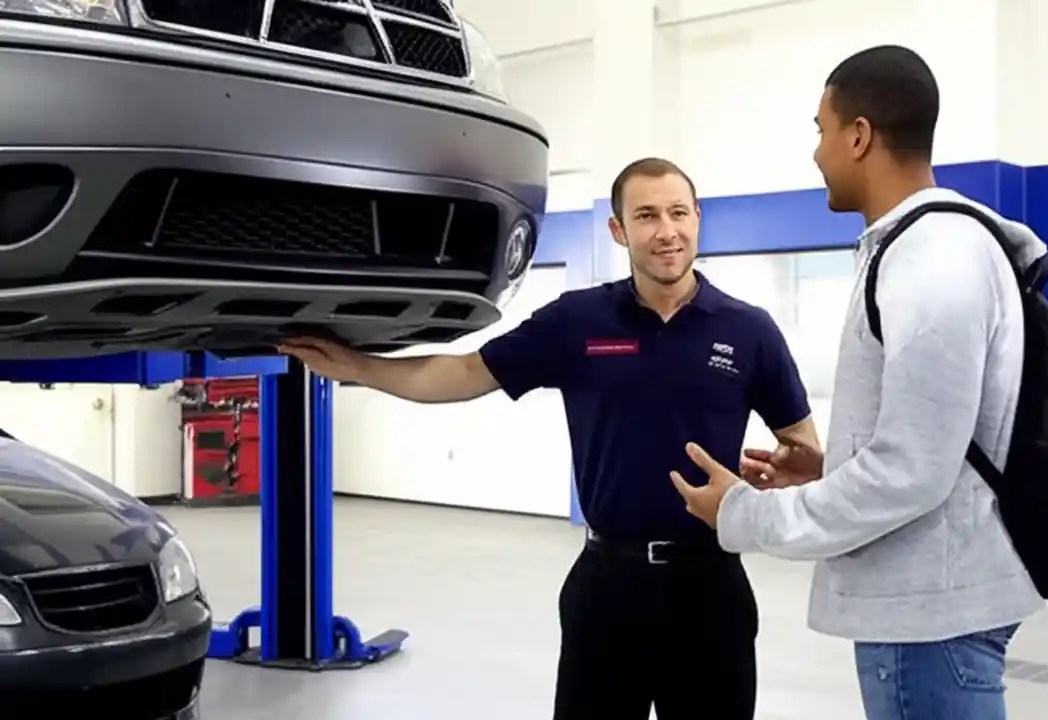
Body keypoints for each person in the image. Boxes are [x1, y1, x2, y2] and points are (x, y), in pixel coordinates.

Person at [276, 156, 820, 720]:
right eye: (647, 215)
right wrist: (360, 368)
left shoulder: (748, 330)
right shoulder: (578, 321)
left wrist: (795, 472)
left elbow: (803, 447)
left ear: (698, 219)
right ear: (619, 229)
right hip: (607, 586)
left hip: (711, 587)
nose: (667, 231)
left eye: (679, 213)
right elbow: (466, 373)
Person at [668, 45, 1048, 719]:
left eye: (820, 130)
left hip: (924, 615)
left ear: (859, 135)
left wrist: (747, 515)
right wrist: (832, 469)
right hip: (933, 602)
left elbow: (912, 472)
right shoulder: (928, 250)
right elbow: (938, 445)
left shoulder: (932, 262)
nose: (817, 152)